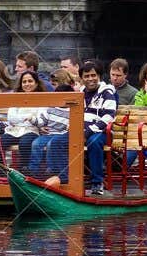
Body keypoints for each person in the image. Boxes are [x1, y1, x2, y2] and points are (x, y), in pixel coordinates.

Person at [33, 60, 117, 194]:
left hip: (101, 132)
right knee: (55, 143)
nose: (90, 79)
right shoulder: (79, 93)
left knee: (93, 142)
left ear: (99, 76)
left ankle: (97, 183)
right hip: (80, 131)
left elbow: (108, 117)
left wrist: (88, 132)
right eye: (87, 76)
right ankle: (64, 179)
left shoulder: (108, 93)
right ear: (82, 78)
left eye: (93, 75)